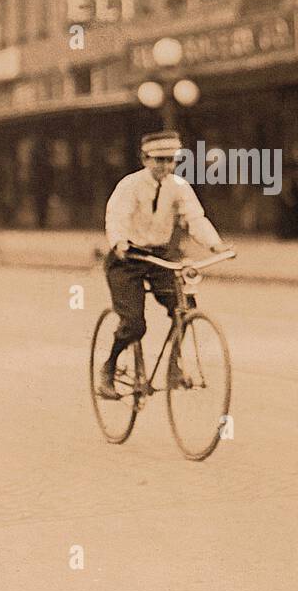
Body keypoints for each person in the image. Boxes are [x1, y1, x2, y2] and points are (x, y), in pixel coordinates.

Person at [97, 131, 231, 400]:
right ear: (145, 159)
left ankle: (174, 367)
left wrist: (215, 245)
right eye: (159, 160)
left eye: (171, 160)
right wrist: (120, 243)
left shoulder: (178, 186)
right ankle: (109, 367)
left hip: (160, 257)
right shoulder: (130, 185)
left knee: (185, 308)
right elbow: (116, 217)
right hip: (129, 258)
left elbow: (195, 218)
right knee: (134, 323)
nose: (166, 166)